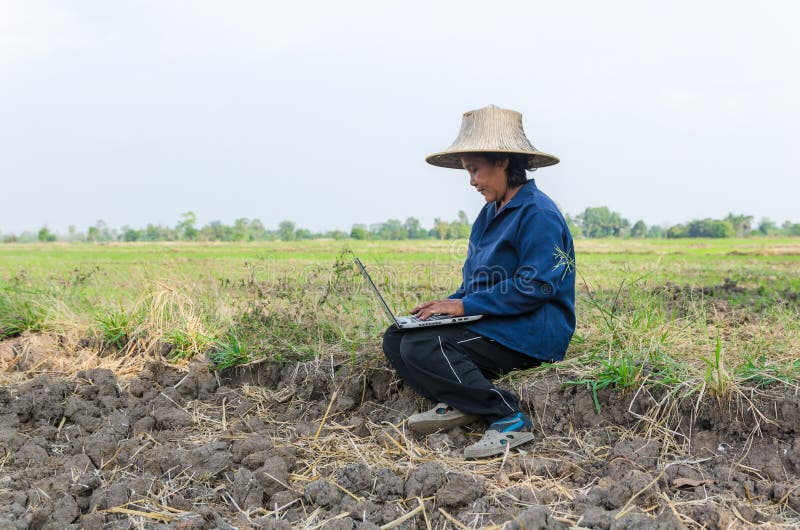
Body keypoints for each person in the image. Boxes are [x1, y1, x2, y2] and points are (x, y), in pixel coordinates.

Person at [382, 105, 576, 459]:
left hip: (532, 331)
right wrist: (446, 306)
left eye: (475, 169)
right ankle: (461, 400)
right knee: (397, 338)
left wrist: (465, 306)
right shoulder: (489, 213)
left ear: (502, 162)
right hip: (498, 322)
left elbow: (535, 286)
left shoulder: (538, 214)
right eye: (467, 171)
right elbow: (478, 283)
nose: (471, 180)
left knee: (422, 347)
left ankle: (506, 417)